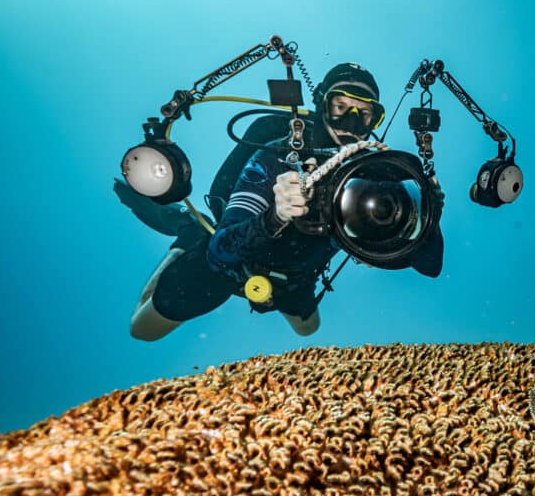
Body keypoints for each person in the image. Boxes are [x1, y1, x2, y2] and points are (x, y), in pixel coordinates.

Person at [121, 62, 444, 341]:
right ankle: (187, 232)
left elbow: (430, 266)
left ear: (374, 122)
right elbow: (222, 251)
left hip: (295, 279)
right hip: (231, 267)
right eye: (340, 107)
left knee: (309, 330)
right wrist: (275, 216)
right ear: (322, 106)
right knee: (143, 328)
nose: (350, 122)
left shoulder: (377, 178)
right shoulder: (279, 155)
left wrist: (428, 213)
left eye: (364, 114)